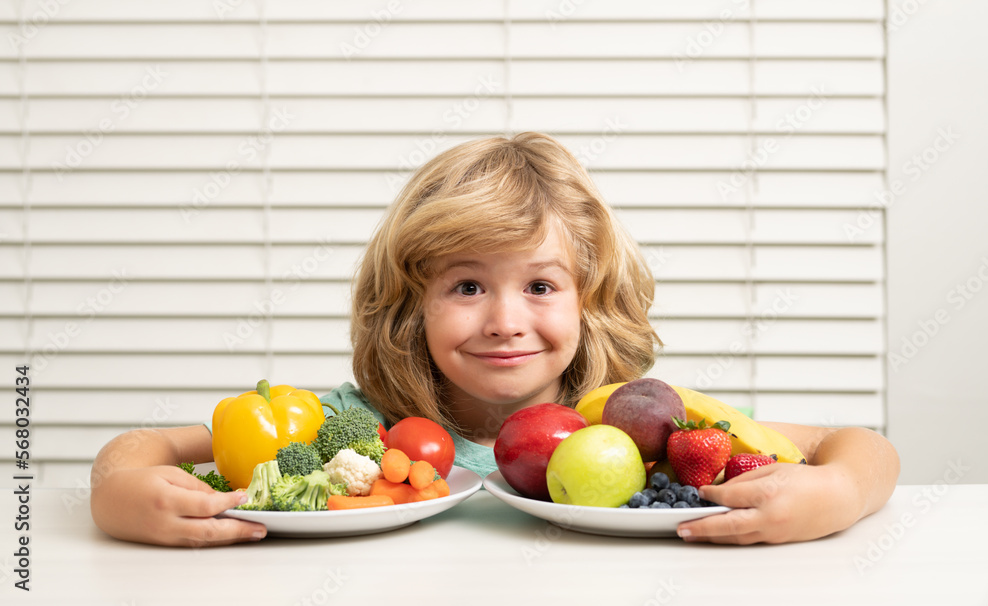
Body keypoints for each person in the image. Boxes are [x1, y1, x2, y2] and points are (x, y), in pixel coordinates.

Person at [90, 132, 899, 547]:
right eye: (467, 286)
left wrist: (841, 494)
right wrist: (121, 494)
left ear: (589, 300)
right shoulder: (354, 427)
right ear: (410, 304)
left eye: (541, 286)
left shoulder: (637, 426)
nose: (506, 320)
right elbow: (146, 446)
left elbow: (847, 442)